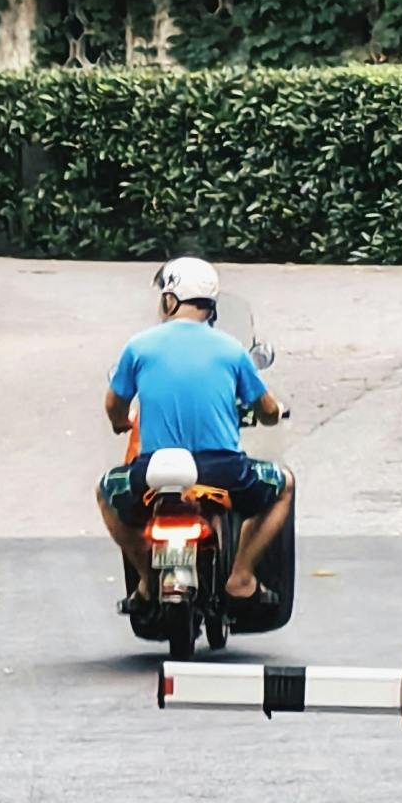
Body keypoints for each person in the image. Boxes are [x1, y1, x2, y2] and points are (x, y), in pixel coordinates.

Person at [97, 256, 292, 616]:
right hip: (223, 472)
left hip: (153, 472)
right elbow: (265, 408)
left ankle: (145, 580)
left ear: (170, 300)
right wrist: (274, 412)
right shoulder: (232, 350)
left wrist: (121, 421)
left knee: (105, 491)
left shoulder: (140, 346)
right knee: (284, 485)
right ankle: (242, 577)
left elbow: (114, 404)